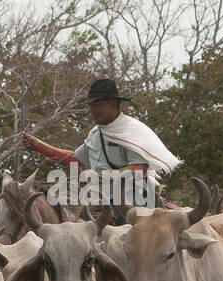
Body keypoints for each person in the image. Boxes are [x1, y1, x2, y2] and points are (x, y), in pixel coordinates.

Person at [20, 78, 181, 223]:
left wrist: (99, 176)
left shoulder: (131, 130)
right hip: (98, 198)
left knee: (132, 232)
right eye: (91, 106)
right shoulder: (96, 134)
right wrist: (38, 145)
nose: (92, 110)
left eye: (97, 105)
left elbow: (139, 169)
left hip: (131, 198)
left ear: (113, 103)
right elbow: (75, 159)